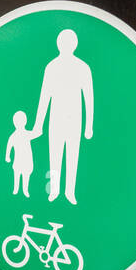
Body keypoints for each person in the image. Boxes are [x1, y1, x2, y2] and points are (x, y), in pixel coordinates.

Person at [32, 29, 94, 205]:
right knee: (55, 156)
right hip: (56, 119)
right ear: (59, 44)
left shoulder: (83, 68)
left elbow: (89, 98)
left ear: (74, 45)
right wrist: (38, 124)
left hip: (75, 120)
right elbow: (44, 97)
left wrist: (89, 126)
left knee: (73, 156)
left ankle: (70, 192)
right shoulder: (52, 67)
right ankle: (54, 191)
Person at [5, 109, 41, 197]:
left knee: (26, 176)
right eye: (18, 122)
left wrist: (38, 128)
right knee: (17, 175)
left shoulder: (26, 134)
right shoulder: (13, 136)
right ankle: (16, 189)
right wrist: (7, 156)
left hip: (27, 161)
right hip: (18, 161)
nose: (19, 123)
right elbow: (9, 146)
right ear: (14, 123)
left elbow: (37, 133)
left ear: (25, 122)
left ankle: (25, 190)